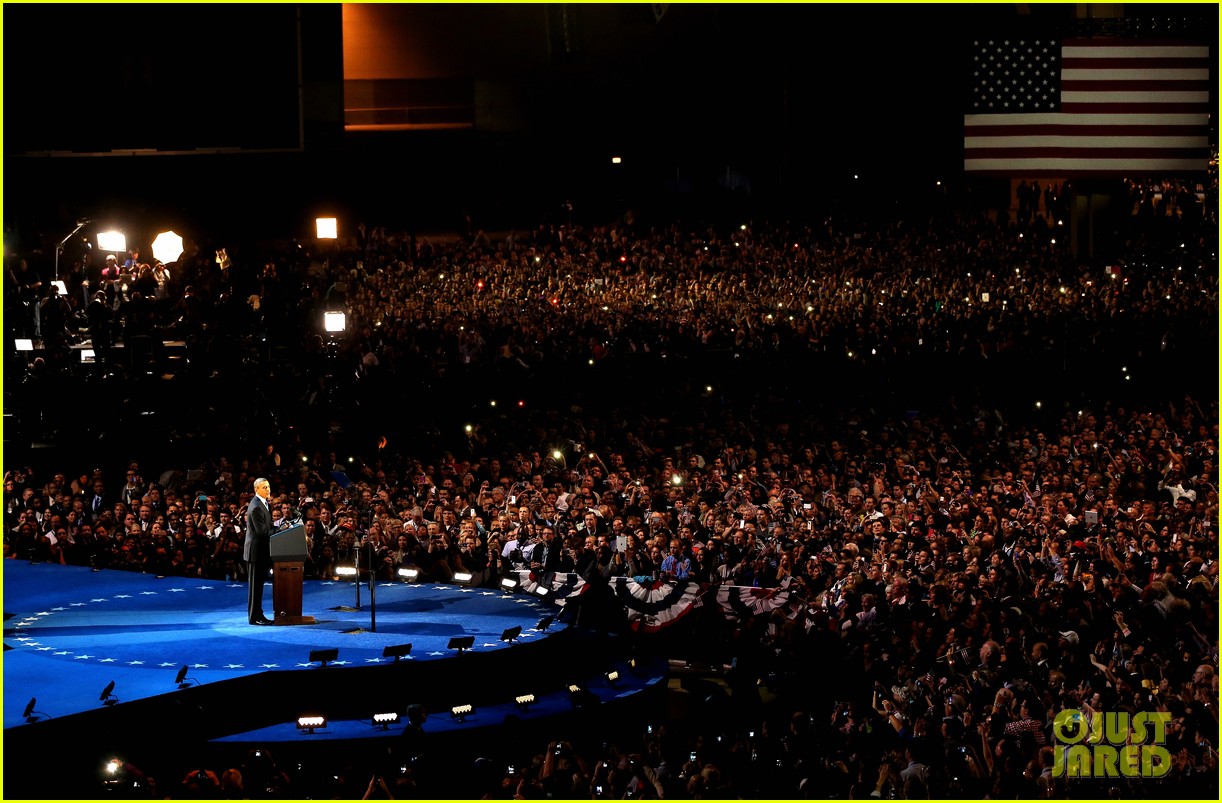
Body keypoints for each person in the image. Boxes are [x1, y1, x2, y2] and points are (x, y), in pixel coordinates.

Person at [244, 477, 274, 625]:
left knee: (258, 587)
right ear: (256, 489)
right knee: (255, 588)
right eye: (264, 487)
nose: (268, 489)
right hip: (255, 553)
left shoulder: (264, 504)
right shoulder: (256, 506)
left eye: (268, 487)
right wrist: (280, 529)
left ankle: (258, 614)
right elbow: (262, 532)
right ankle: (255, 617)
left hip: (262, 552)